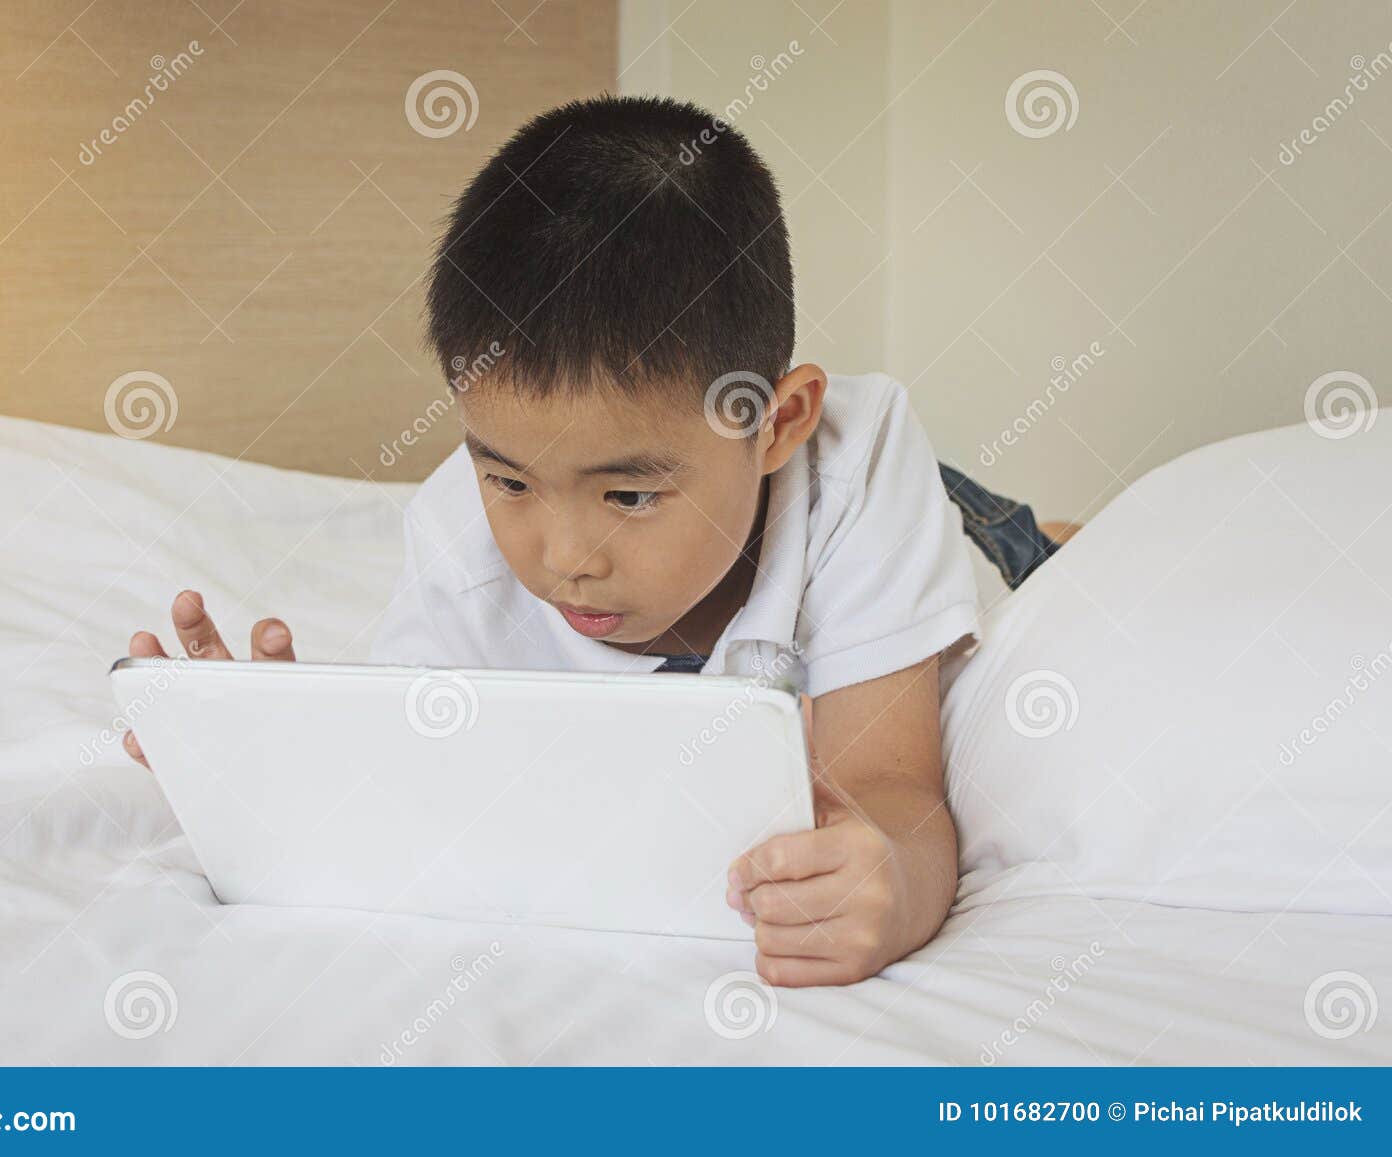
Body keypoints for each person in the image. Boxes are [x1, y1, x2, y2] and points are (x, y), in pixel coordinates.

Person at [123, 95, 1077, 987]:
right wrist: (273, 765)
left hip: (950, 518)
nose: (564, 554)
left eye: (627, 492)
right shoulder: (460, 539)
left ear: (775, 420)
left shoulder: (854, 467)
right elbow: (421, 788)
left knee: (1029, 551)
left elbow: (889, 786)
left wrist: (891, 882)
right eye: (507, 478)